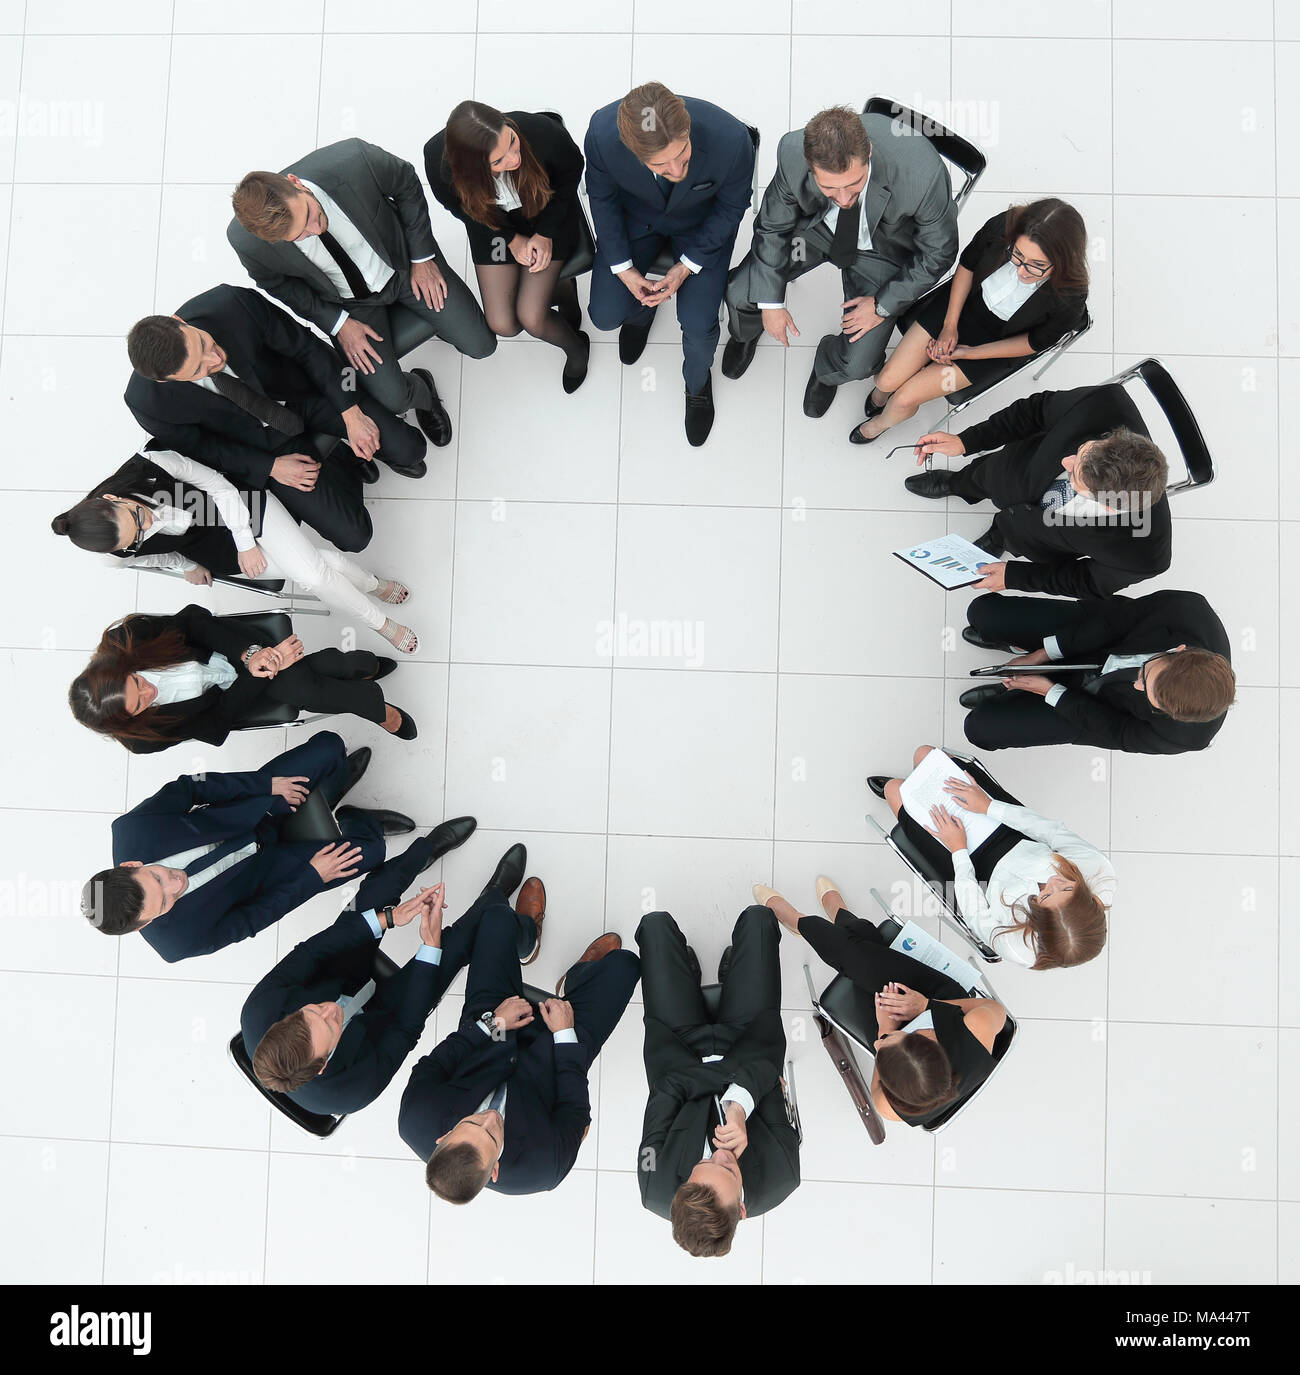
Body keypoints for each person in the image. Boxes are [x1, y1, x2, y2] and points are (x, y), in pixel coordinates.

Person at [228, 138, 497, 447]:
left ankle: (444, 321)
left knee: (482, 346)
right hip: (350, 306)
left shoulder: (353, 160)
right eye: (300, 236)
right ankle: (424, 393)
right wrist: (337, 323)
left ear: (295, 184)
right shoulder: (245, 242)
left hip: (404, 265)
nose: (314, 231)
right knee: (394, 401)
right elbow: (276, 283)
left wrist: (422, 258)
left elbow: (407, 183)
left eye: (310, 216)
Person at [125, 286, 428, 552]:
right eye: (197, 371)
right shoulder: (147, 403)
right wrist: (269, 468)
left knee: (411, 450)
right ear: (166, 380)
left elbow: (308, 348)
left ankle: (417, 385)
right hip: (266, 448)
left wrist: (351, 412)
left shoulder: (231, 304)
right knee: (355, 538)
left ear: (180, 323)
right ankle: (342, 461)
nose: (215, 360)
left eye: (204, 344)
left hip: (308, 392)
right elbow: (205, 449)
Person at [399, 865, 639, 1198]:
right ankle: (580, 978)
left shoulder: (415, 1117)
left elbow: (439, 1062)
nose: (489, 1118)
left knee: (497, 918)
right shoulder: (545, 1168)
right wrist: (565, 1037)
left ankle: (527, 939)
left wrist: (492, 1023)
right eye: (494, 1135)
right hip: (554, 1060)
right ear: (495, 1168)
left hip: (492, 1032)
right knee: (626, 966)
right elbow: (574, 1111)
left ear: (443, 1136)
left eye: (471, 1122)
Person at [81, 734, 414, 964]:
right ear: (143, 925)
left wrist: (265, 785)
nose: (175, 884)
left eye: (157, 878)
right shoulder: (177, 943)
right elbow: (254, 918)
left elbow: (192, 788)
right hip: (269, 872)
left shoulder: (132, 829)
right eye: (165, 902)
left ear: (129, 865)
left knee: (330, 747)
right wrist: (312, 876)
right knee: (371, 852)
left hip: (255, 808)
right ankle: (355, 818)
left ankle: (329, 787)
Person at [51, 450, 418, 653]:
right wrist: (186, 567)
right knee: (320, 566)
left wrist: (244, 540)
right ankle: (371, 585)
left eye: (138, 516)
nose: (147, 525)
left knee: (311, 575)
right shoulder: (111, 555)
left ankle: (380, 623)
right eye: (136, 537)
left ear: (113, 499)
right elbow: (158, 558)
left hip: (241, 507)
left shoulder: (150, 466)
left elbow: (217, 484)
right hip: (211, 548)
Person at [723, 105, 957, 420]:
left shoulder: (923, 175)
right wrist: (770, 304)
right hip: (813, 236)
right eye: (830, 189)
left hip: (881, 251)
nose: (845, 199)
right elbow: (773, 227)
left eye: (854, 184)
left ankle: (827, 370)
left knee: (858, 364)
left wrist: (880, 305)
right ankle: (746, 332)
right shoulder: (793, 151)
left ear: (869, 152)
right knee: (740, 292)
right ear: (810, 165)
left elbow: (939, 253)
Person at [241, 815, 482, 1117]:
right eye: (329, 1024)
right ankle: (493, 906)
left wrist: (390, 918)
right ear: (323, 1065)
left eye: (312, 1010)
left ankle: (425, 851)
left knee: (375, 893)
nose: (329, 1009)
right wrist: (431, 947)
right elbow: (406, 1030)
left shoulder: (259, 1009)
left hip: (337, 971)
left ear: (283, 1019)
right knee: (454, 947)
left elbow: (314, 950)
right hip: (385, 1018)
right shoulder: (352, 1091)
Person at [753, 880, 1006, 1127]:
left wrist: (886, 1032)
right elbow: (992, 1007)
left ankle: (820, 920)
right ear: (930, 1038)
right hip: (939, 999)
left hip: (889, 1030)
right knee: (861, 956)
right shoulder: (978, 1027)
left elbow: (881, 1048)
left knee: (863, 957)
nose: (875, 1045)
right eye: (911, 1034)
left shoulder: (887, 1106)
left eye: (881, 1049)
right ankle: (821, 921)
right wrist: (925, 1006)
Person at [584, 81, 755, 446]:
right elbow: (602, 198)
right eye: (661, 165)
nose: (677, 169)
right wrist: (624, 269)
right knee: (604, 315)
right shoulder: (601, 133)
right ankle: (642, 311)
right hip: (636, 222)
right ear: (632, 150)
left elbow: (731, 207)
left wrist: (688, 265)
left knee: (697, 324)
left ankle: (697, 384)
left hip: (700, 231)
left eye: (684, 155)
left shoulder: (732, 139)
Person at [851, 199, 1089, 445]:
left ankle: (879, 424)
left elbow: (1034, 342)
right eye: (1017, 255)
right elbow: (968, 263)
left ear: (1062, 262)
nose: (1021, 271)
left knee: (904, 399)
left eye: (1037, 266)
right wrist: (949, 326)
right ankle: (880, 396)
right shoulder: (1003, 227)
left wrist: (969, 353)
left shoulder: (1071, 296)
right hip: (962, 304)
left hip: (997, 344)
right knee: (886, 380)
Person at [904, 383, 1172, 599]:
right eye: (1082, 451)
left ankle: (1000, 537)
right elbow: (1033, 411)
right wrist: (967, 441)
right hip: (1012, 469)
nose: (1065, 461)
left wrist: (1015, 577)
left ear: (1110, 506)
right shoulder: (1104, 404)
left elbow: (1085, 580)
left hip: (1038, 538)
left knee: (1014, 534)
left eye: (1074, 474)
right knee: (978, 476)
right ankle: (957, 484)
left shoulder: (1145, 553)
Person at [635, 907, 800, 1256]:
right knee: (758, 920)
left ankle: (688, 971)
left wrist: (741, 1089)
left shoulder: (653, 1181)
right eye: (728, 1168)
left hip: (677, 1043)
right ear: (741, 1209)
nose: (719, 1154)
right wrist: (738, 1107)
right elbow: (768, 1074)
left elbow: (664, 1090)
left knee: (655, 926)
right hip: (750, 1035)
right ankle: (725, 974)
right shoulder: (783, 1174)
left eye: (704, 1163)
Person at [867, 746, 1113, 968]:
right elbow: (1050, 831)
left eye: (1045, 895)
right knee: (923, 754)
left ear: (1035, 921)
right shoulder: (1097, 870)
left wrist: (958, 849)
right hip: (1015, 835)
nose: (1052, 882)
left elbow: (974, 911)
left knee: (894, 790)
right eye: (1067, 888)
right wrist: (988, 807)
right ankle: (919, 791)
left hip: (976, 874)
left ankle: (909, 795)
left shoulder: (1018, 947)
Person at [68, 604, 417, 753]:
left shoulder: (128, 638)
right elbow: (216, 726)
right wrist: (262, 671)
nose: (150, 690)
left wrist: (253, 656)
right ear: (126, 722)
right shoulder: (141, 739)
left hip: (233, 646)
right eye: (140, 703)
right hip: (236, 698)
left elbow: (194, 621)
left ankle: (370, 692)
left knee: (303, 688)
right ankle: (358, 669)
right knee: (301, 686)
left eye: (138, 683)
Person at [425, 103, 589, 392]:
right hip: (493, 226)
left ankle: (577, 350)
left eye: (512, 142)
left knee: (532, 317)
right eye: (499, 160)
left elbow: (571, 174)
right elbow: (463, 211)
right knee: (504, 324)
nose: (515, 157)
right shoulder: (441, 167)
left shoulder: (541, 133)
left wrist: (545, 234)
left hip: (546, 215)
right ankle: (559, 287)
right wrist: (510, 239)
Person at [958, 589, 1236, 754]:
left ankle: (1021, 691)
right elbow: (1113, 623)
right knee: (982, 612)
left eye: (1150, 697)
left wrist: (1049, 690)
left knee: (979, 729)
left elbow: (1115, 731)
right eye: (1145, 675)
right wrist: (1043, 653)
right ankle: (1019, 651)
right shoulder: (1188, 611)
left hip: (1097, 707)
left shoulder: (1187, 736)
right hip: (1098, 634)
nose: (1137, 686)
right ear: (1178, 650)